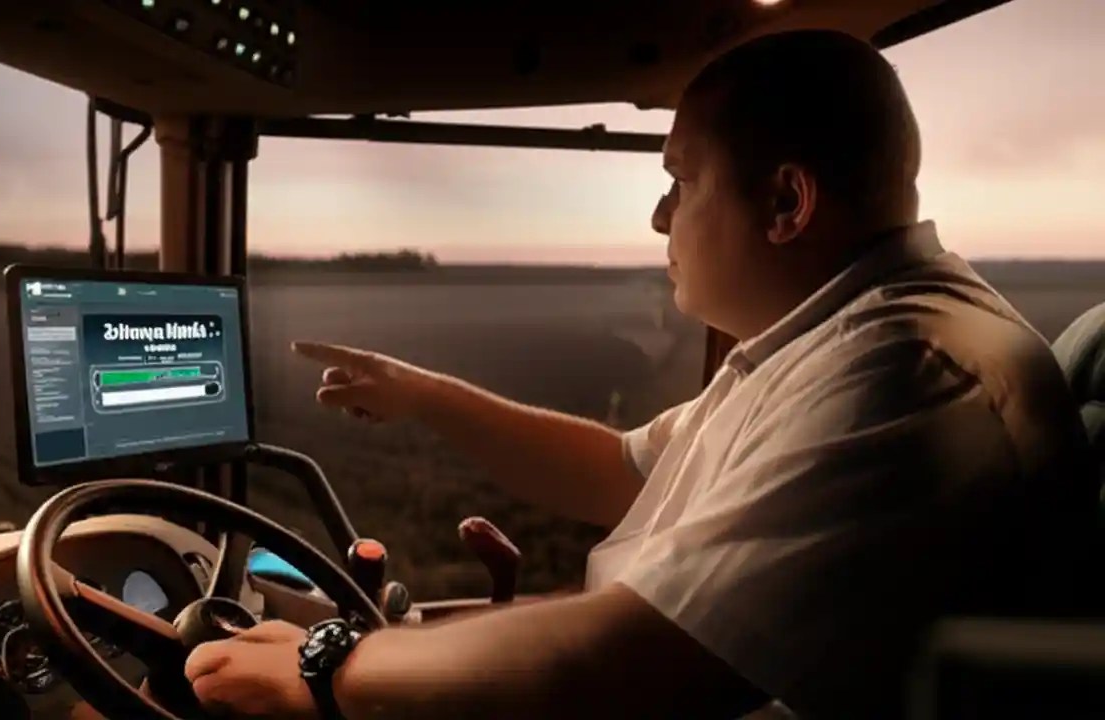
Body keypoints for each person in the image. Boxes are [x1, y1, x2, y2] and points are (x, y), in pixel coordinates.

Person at [181, 30, 1095, 719]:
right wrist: (424, 395)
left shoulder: (902, 374)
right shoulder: (829, 340)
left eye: (681, 181)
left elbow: (618, 665)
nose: (661, 218)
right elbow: (621, 470)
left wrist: (328, 669)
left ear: (786, 201)